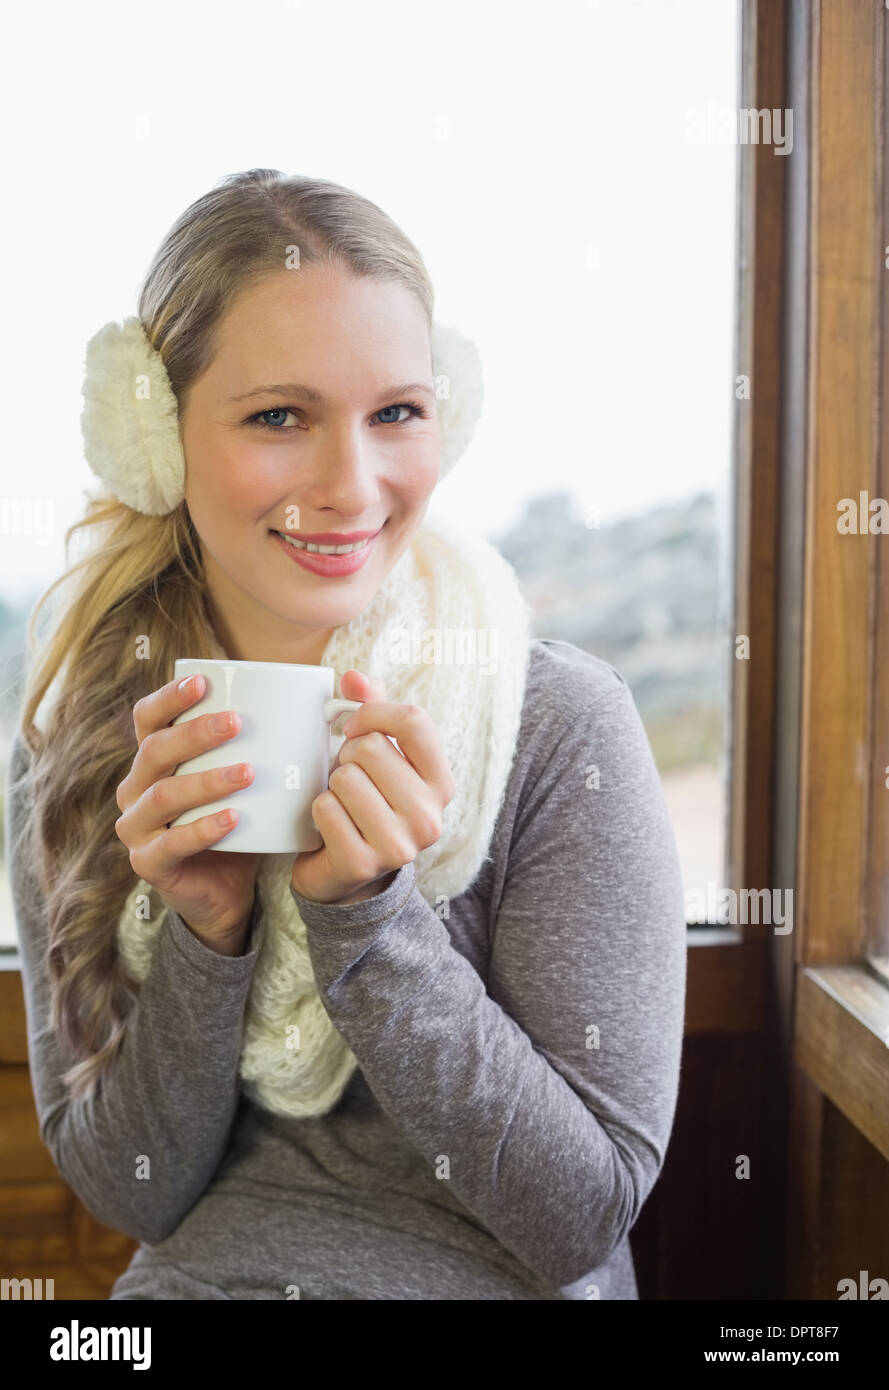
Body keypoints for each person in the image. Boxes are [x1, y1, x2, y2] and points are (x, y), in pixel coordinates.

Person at [6, 168, 686, 1301]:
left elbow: (581, 1213)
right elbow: (134, 1191)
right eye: (280, 416)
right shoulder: (74, 742)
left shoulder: (560, 726)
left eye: (396, 413)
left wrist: (367, 924)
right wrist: (204, 934)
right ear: (156, 438)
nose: (351, 483)